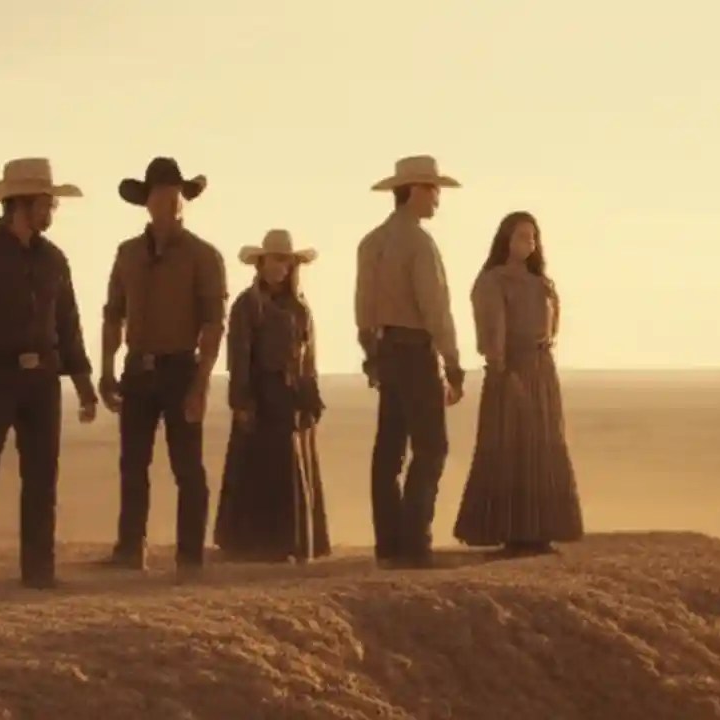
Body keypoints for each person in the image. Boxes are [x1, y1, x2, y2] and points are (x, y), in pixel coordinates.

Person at [0, 157, 99, 590]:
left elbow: (68, 324)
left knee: (43, 476)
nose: (53, 212)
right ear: (23, 203)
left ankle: (39, 572)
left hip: (43, 379)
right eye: (48, 203)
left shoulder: (54, 260)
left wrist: (83, 385)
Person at [99, 157, 227, 581]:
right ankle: (129, 547)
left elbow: (213, 322)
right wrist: (106, 369)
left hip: (179, 368)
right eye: (162, 196)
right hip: (138, 368)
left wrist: (202, 382)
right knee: (132, 463)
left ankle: (190, 554)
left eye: (177, 196)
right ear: (148, 202)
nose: (170, 204)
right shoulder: (128, 254)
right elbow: (113, 314)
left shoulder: (203, 256)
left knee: (186, 465)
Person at [354, 155, 465, 569]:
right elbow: (435, 307)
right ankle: (414, 541)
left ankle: (389, 543)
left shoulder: (371, 242)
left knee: (389, 449)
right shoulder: (419, 243)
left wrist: (370, 353)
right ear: (415, 190)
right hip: (416, 349)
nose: (437, 198)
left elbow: (362, 306)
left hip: (385, 348)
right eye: (433, 189)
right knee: (431, 446)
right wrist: (452, 361)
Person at [453, 211, 583, 555]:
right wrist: (501, 368)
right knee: (511, 445)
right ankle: (511, 530)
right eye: (522, 236)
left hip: (542, 367)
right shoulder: (493, 281)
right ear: (506, 240)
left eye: (533, 237)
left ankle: (541, 529)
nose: (529, 243)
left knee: (544, 444)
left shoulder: (542, 282)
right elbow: (491, 329)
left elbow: (553, 323)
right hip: (511, 367)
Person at [214, 230, 329, 563]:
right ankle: (254, 543)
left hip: (291, 394)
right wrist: (242, 400)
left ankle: (292, 542)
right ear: (262, 263)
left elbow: (308, 358)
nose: (281, 267)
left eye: (286, 261)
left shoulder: (299, 307)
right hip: (261, 392)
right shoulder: (248, 305)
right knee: (260, 466)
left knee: (291, 465)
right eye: (276, 260)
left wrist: (311, 395)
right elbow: (239, 355)